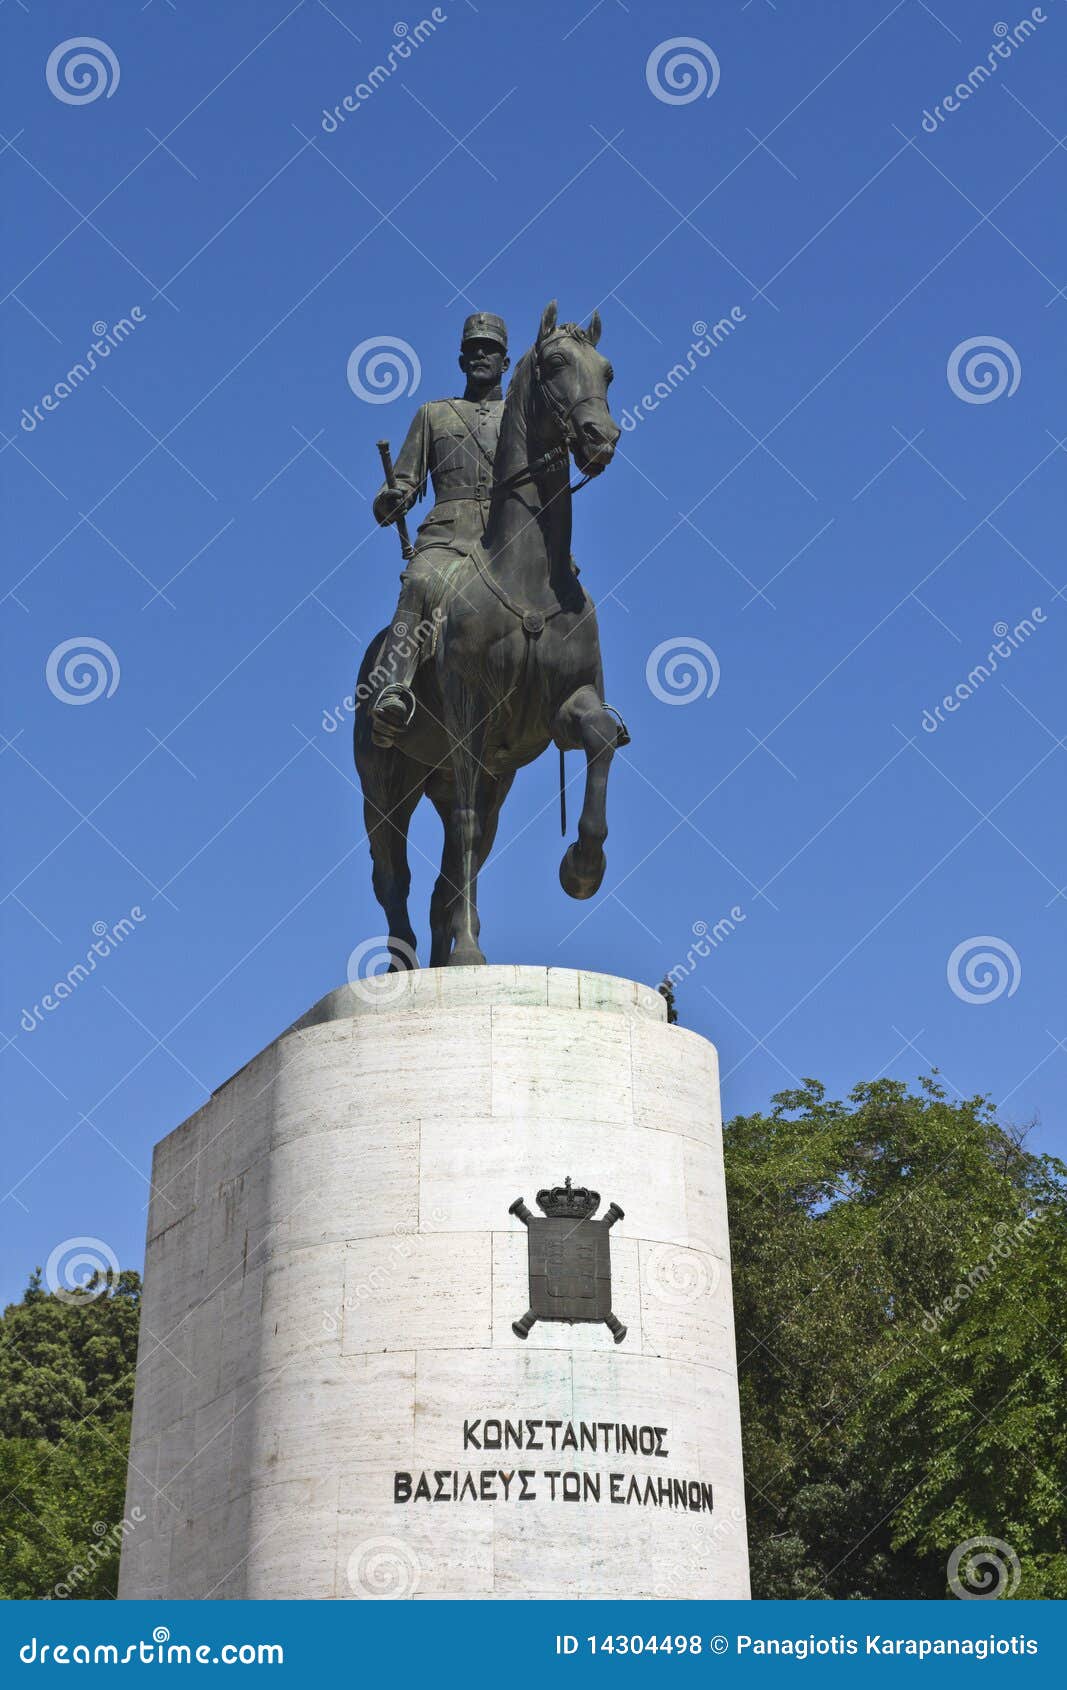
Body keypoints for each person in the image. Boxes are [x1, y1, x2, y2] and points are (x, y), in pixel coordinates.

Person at [370, 311, 509, 744]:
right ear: (461, 360)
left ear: (506, 362)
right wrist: (391, 498)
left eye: (490, 349)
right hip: (447, 538)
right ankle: (394, 687)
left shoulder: (521, 417)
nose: (481, 355)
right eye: (473, 349)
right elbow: (405, 481)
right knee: (418, 582)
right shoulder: (434, 415)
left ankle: (584, 696)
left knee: (571, 596)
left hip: (510, 539)